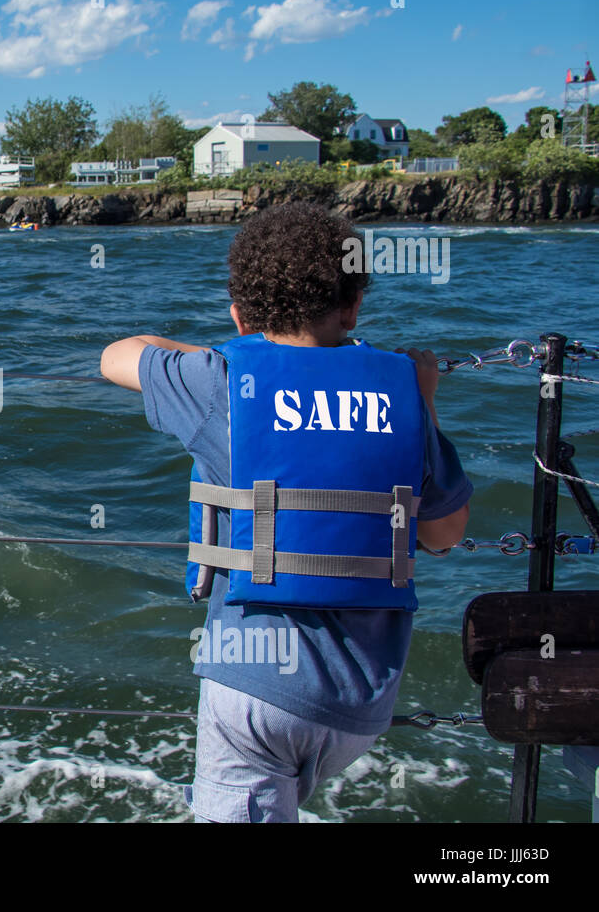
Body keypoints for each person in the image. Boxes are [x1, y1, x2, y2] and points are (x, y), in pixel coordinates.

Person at [99, 202, 472, 822]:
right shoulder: (405, 387)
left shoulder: (217, 381)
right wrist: (425, 402)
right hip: (362, 701)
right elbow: (444, 534)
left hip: (252, 693)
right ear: (354, 306)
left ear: (239, 315)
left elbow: (118, 354)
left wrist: (233, 358)